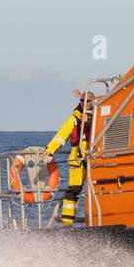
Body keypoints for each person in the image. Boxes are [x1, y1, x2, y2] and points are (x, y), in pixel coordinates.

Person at [43, 91, 93, 225]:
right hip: (77, 160)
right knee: (72, 192)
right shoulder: (74, 118)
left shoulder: (100, 116)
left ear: (93, 102)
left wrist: (89, 121)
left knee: (97, 190)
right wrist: (49, 151)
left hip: (94, 159)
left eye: (87, 101)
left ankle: (98, 221)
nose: (84, 103)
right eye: (82, 101)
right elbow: (61, 135)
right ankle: (67, 223)